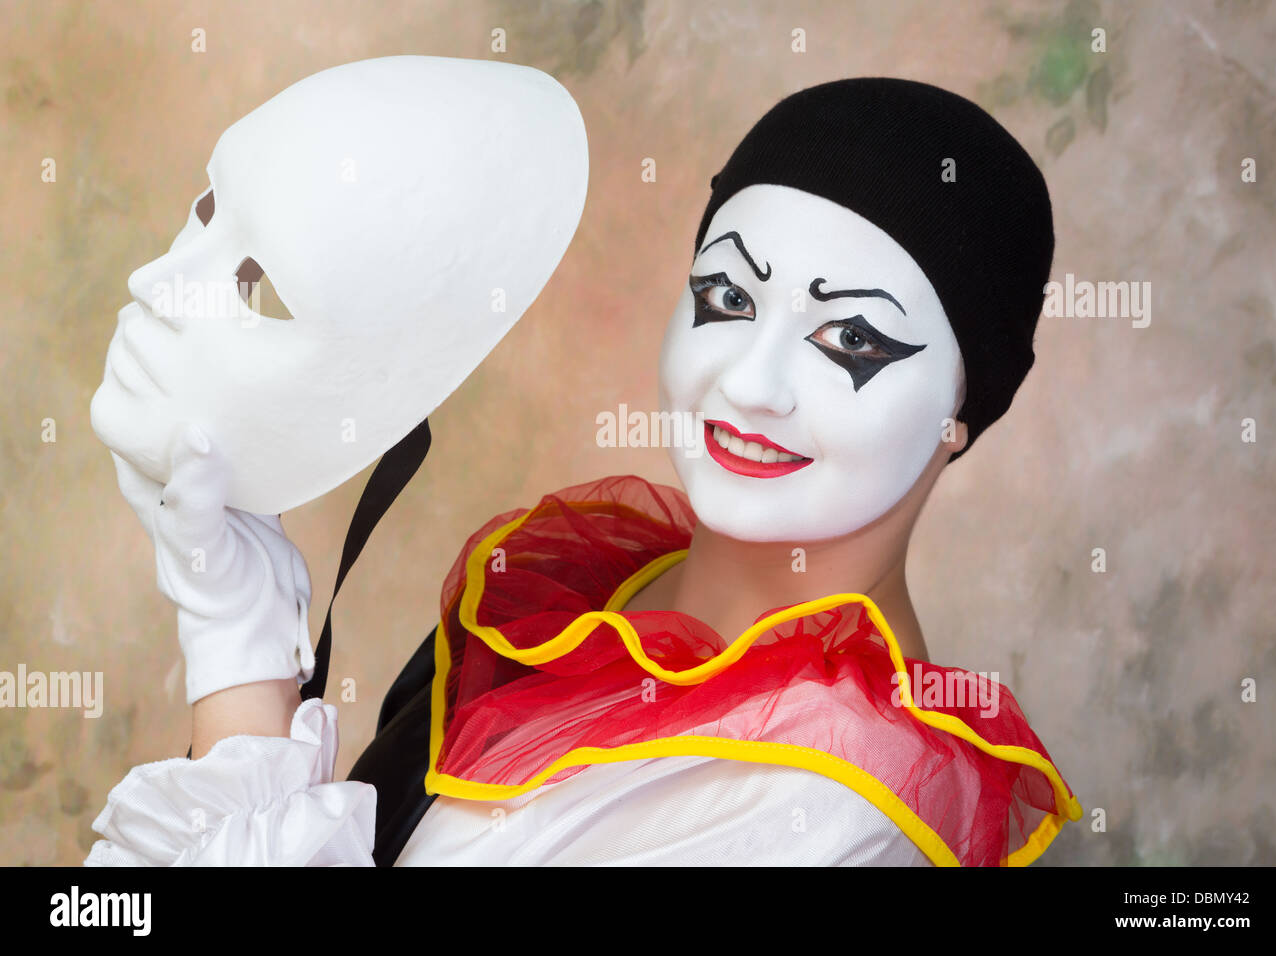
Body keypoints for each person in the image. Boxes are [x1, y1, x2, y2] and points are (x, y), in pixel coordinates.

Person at [85, 77, 1081, 867]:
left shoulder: (836, 808)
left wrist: (236, 656)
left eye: (850, 335)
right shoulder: (586, 598)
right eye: (726, 295)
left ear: (962, 410)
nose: (751, 381)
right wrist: (240, 648)